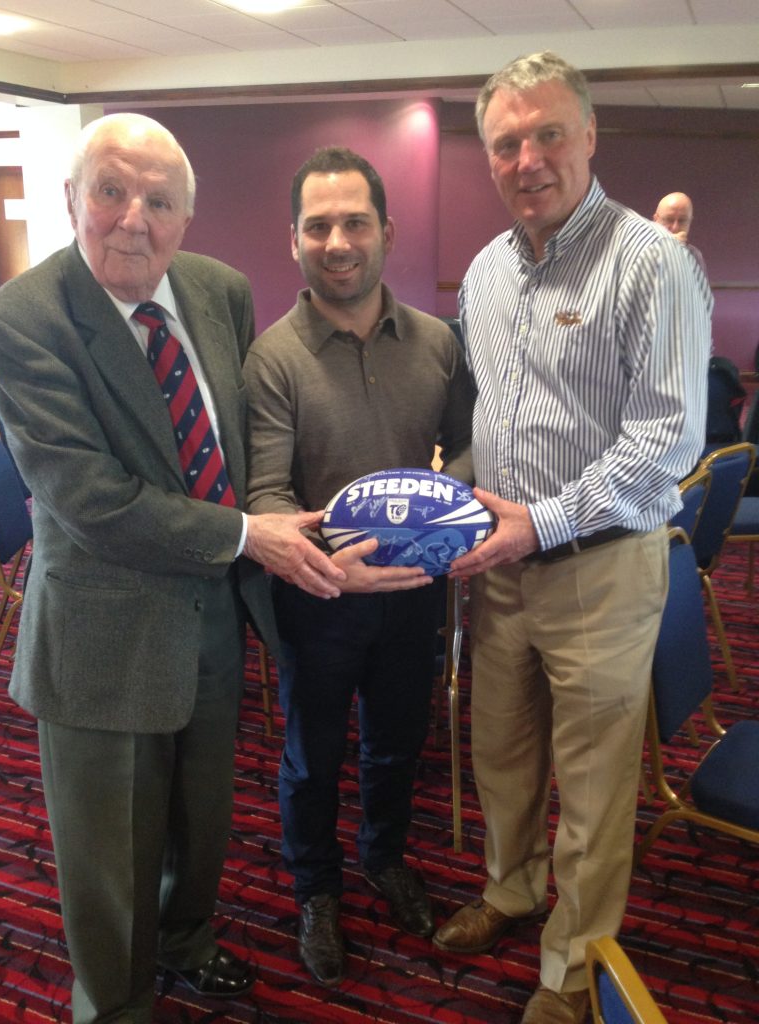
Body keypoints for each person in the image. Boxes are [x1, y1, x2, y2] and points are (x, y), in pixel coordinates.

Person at [0, 112, 345, 1024]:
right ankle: (117, 1002)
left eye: (158, 201)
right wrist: (247, 536)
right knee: (110, 852)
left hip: (213, 613)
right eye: (110, 192)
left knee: (201, 815)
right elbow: (90, 499)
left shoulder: (220, 291)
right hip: (102, 632)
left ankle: (185, 941)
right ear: (73, 199)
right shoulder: (24, 317)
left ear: (188, 216)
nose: (133, 219)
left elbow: (241, 443)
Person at [430, 52, 712, 1024]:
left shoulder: (650, 262)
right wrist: (447, 496)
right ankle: (511, 889)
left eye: (549, 134)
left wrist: (539, 522)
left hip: (602, 567)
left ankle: (573, 969)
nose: (528, 159)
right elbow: (495, 417)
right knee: (502, 754)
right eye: (507, 142)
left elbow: (669, 438)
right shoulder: (485, 272)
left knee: (592, 790)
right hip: (500, 568)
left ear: (590, 135)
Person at [243, 146, 474, 987]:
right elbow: (267, 493)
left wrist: (444, 503)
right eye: (317, 226)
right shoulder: (272, 358)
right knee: (312, 756)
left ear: (387, 231)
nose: (336, 242)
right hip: (317, 597)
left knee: (397, 744)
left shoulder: (438, 343)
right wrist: (330, 563)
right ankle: (316, 888)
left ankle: (384, 856)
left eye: (354, 223)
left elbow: (471, 445)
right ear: (293, 239)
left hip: (415, 589)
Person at [653, 190, 708, 277]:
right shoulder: (639, 250)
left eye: (682, 221)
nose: (675, 227)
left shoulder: (694, 255)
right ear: (656, 220)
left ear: (690, 222)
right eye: (669, 219)